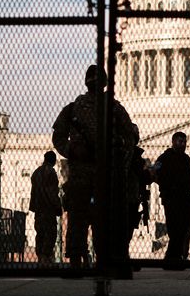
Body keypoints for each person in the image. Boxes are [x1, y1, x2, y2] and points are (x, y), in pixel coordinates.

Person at [52, 65, 139, 269]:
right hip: (86, 174)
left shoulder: (113, 108)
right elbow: (58, 136)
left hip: (104, 173)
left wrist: (118, 159)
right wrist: (72, 150)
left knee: (97, 220)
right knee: (80, 219)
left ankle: (97, 260)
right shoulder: (75, 108)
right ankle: (78, 259)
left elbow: (130, 137)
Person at [153, 131, 190, 267]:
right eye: (180, 141)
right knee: (174, 229)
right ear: (173, 142)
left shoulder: (186, 159)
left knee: (182, 229)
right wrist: (165, 186)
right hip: (171, 199)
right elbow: (155, 170)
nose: (183, 144)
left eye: (185, 142)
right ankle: (172, 259)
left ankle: (173, 258)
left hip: (185, 199)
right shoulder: (165, 157)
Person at [30, 150, 62, 266]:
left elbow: (33, 192)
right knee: (50, 233)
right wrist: (58, 206)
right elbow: (52, 192)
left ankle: (41, 258)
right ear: (52, 160)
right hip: (48, 208)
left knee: (40, 233)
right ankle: (47, 258)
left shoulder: (36, 172)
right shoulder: (51, 172)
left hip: (39, 208)